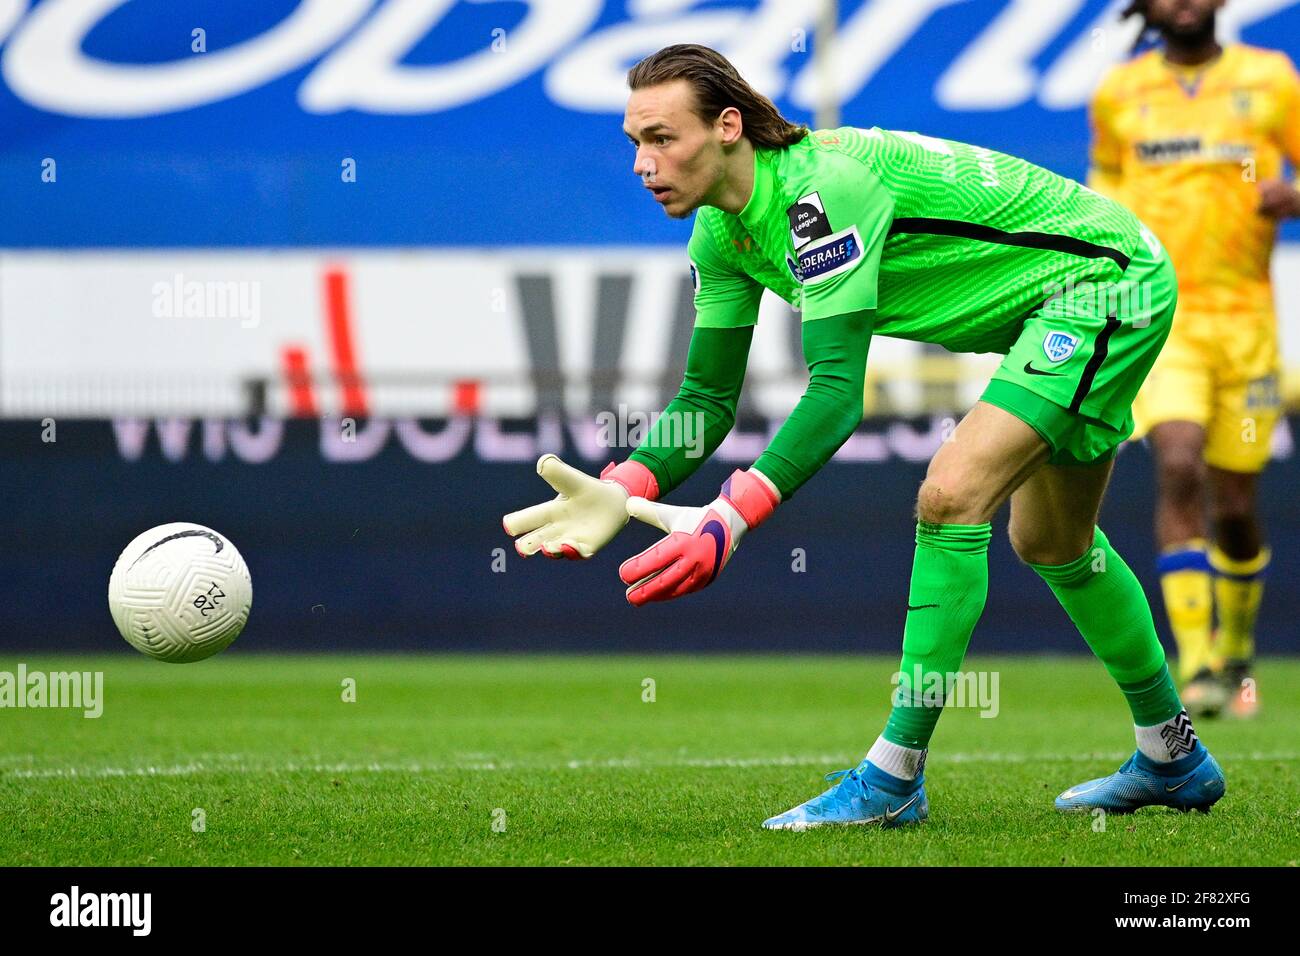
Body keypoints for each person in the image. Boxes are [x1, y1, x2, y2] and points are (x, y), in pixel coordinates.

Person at [503, 44, 1225, 829]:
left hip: (1107, 284)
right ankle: (1173, 754)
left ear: (728, 127)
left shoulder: (820, 194)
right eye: (634, 142)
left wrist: (731, 515)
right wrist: (628, 484)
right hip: (1054, 305)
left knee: (950, 499)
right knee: (1052, 542)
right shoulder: (722, 235)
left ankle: (893, 779)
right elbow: (708, 396)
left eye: (661, 137)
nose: (644, 163)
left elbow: (838, 394)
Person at [1090, 0, 1300, 718]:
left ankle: (1236, 648)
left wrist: (1292, 194)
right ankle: (1198, 664)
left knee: (1236, 505)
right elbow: (1102, 200)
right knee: (1177, 461)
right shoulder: (1119, 92)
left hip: (1247, 326)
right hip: (1166, 316)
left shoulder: (1271, 79)